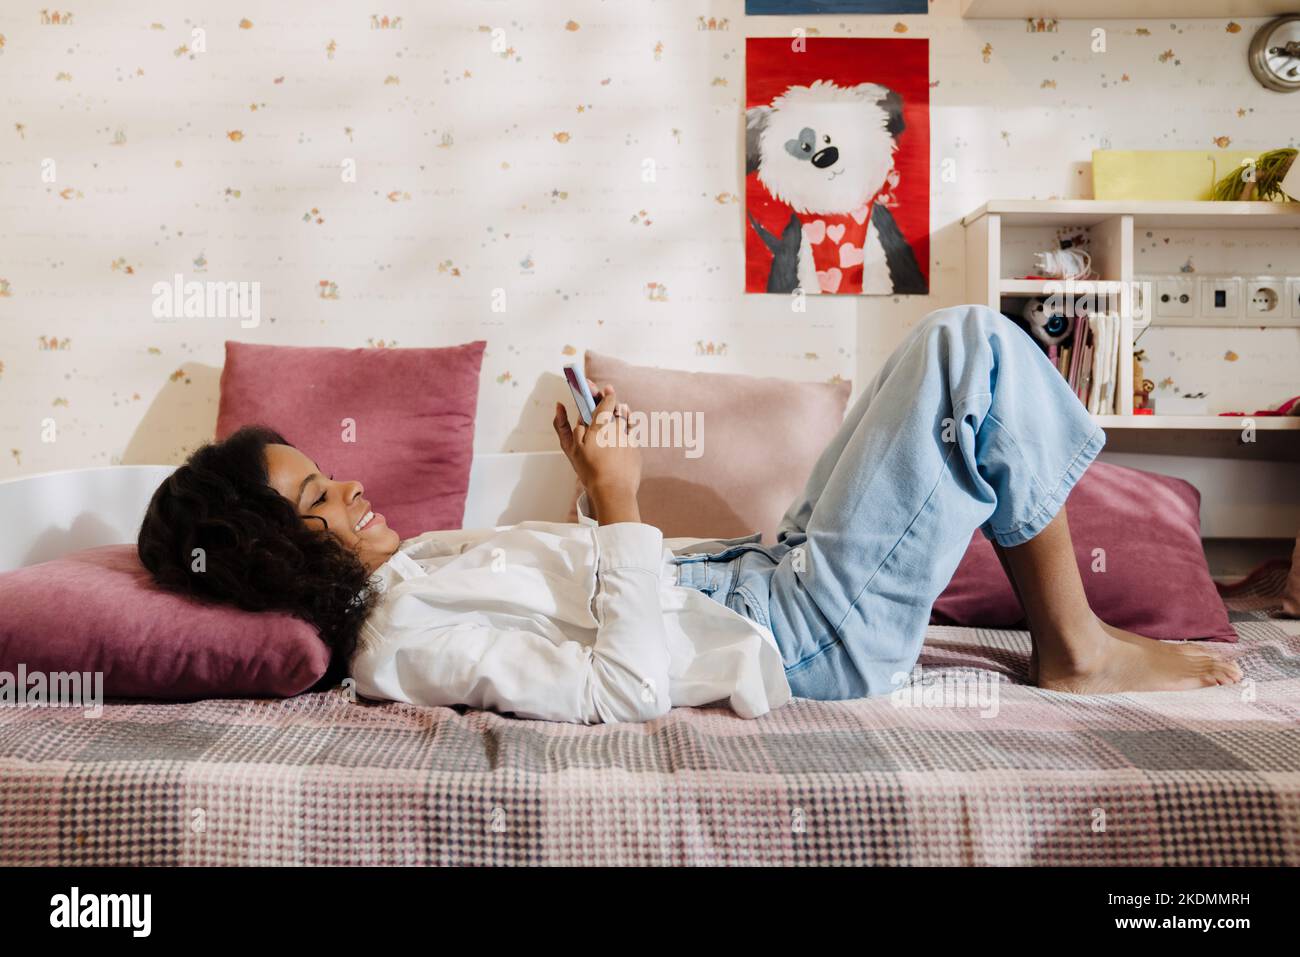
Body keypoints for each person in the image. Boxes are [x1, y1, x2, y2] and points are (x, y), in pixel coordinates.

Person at [138, 305, 1242, 723]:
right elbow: (622, 684)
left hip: (762, 573)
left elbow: (581, 596)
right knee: (968, 353)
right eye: (317, 500)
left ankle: (1098, 630)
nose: (354, 486)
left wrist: (588, 486)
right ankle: (1076, 647)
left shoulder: (417, 564)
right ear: (276, 557)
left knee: (922, 368)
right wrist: (619, 502)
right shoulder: (397, 645)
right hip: (801, 635)